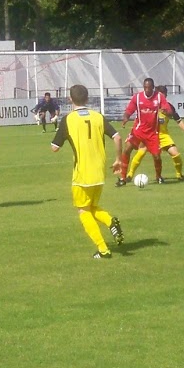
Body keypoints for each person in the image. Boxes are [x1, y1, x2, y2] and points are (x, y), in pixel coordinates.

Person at [51, 83, 127, 259]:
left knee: (83, 211)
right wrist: (117, 160)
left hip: (82, 174)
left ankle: (103, 249)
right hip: (100, 172)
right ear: (87, 98)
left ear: (70, 99)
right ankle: (109, 221)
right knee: (91, 206)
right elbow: (117, 137)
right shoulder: (98, 117)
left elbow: (54, 148)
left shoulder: (68, 119)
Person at [118, 77, 170, 185]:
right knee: (127, 149)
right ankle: (122, 178)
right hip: (138, 131)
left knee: (157, 156)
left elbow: (167, 108)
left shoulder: (159, 97)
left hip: (152, 133)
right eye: (145, 87)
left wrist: (166, 110)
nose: (147, 90)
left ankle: (159, 176)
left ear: (153, 87)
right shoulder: (137, 97)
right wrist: (125, 118)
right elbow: (129, 110)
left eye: (149, 88)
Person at [153, 99, 184, 181]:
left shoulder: (169, 107)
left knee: (176, 154)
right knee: (141, 153)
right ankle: (128, 175)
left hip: (164, 136)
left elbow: (178, 120)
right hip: (151, 136)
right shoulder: (150, 105)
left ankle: (179, 175)